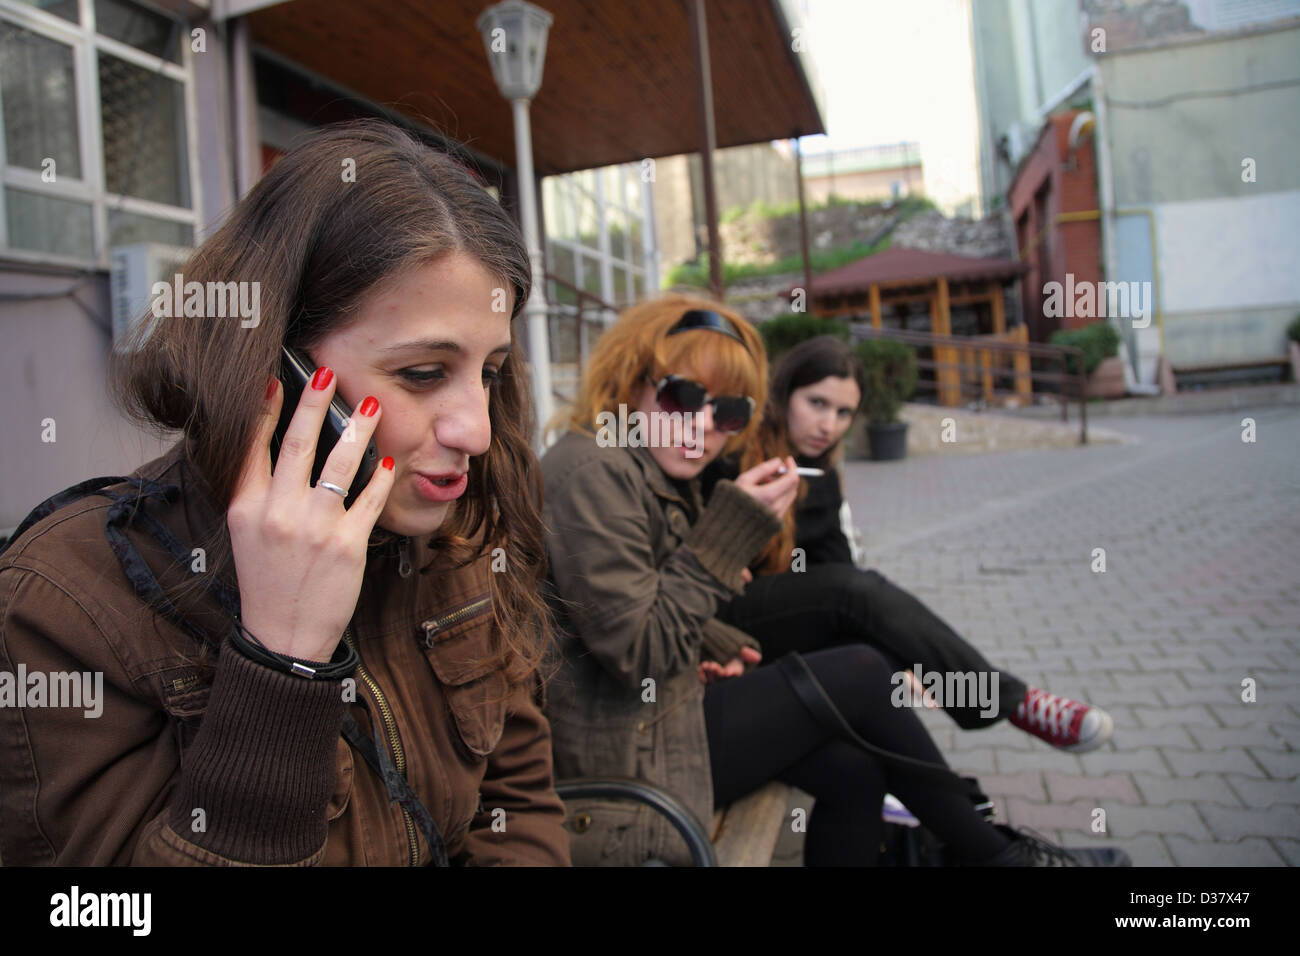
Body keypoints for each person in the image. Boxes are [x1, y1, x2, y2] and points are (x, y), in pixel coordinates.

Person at [0, 121, 569, 866]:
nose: (477, 431)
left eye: (489, 373)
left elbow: (517, 806)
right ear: (273, 365)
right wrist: (281, 665)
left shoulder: (449, 536)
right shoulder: (65, 603)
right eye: (423, 374)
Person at [540, 296, 1124, 866]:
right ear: (627, 380)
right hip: (623, 761)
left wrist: (716, 643)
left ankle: (988, 844)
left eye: (728, 411)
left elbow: (652, 609)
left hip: (661, 717)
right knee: (863, 669)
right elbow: (638, 648)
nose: (703, 425)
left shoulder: (644, 466)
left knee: (855, 767)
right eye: (684, 395)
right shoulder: (593, 470)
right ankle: (997, 852)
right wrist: (724, 544)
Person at [704, 334, 1114, 752]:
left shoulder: (819, 475)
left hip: (783, 624)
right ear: (784, 393)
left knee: (872, 660)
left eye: (844, 412)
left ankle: (962, 801)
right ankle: (1014, 702)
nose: (829, 425)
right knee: (856, 600)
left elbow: (836, 572)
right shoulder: (735, 454)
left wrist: (903, 650)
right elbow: (842, 591)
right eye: (817, 403)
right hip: (715, 620)